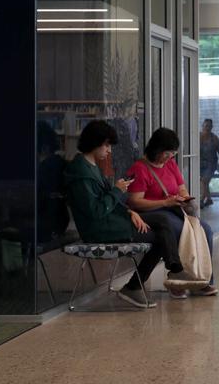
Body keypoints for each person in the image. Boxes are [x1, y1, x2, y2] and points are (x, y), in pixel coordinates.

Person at [62, 120, 173, 309]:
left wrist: (130, 211)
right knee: (160, 237)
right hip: (99, 229)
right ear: (94, 143)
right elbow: (96, 211)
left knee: (162, 221)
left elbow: (107, 200)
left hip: (110, 222)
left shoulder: (92, 167)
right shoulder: (80, 173)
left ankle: (168, 270)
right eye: (106, 145)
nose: (109, 150)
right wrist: (117, 191)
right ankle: (139, 284)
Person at [125, 128, 218, 299]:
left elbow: (181, 188)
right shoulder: (139, 169)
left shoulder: (170, 165)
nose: (169, 158)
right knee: (180, 231)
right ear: (157, 150)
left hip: (173, 209)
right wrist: (164, 202)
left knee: (205, 230)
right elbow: (134, 201)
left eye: (172, 154)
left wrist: (184, 198)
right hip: (153, 212)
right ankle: (179, 280)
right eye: (167, 154)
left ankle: (203, 280)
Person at [198, 119, 219, 208]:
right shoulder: (198, 136)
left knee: (204, 180)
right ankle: (209, 199)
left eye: (209, 126)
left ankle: (201, 200)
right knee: (204, 182)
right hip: (200, 163)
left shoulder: (214, 138)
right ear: (202, 126)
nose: (207, 128)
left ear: (211, 127)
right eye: (205, 125)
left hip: (211, 164)